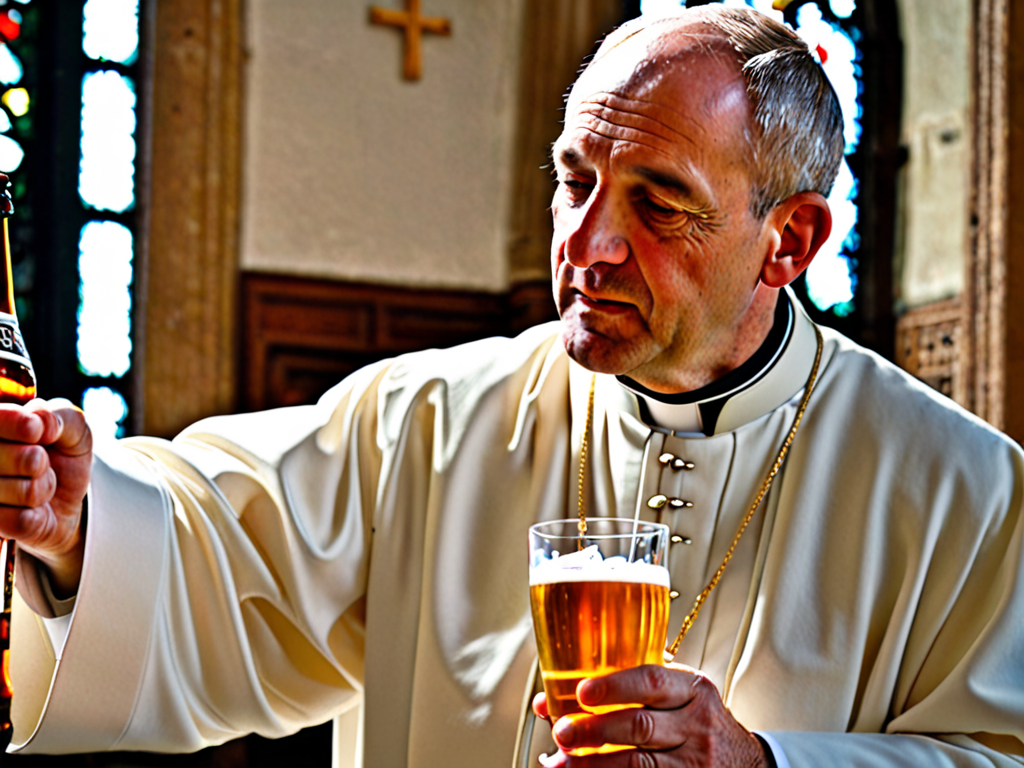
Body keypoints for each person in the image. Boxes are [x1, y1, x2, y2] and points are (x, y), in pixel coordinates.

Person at [1, 5, 1023, 767]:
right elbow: (220, 554)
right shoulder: (429, 423)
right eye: (575, 182)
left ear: (788, 241)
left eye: (658, 206)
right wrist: (77, 525)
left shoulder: (961, 491)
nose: (586, 247)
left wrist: (769, 764)